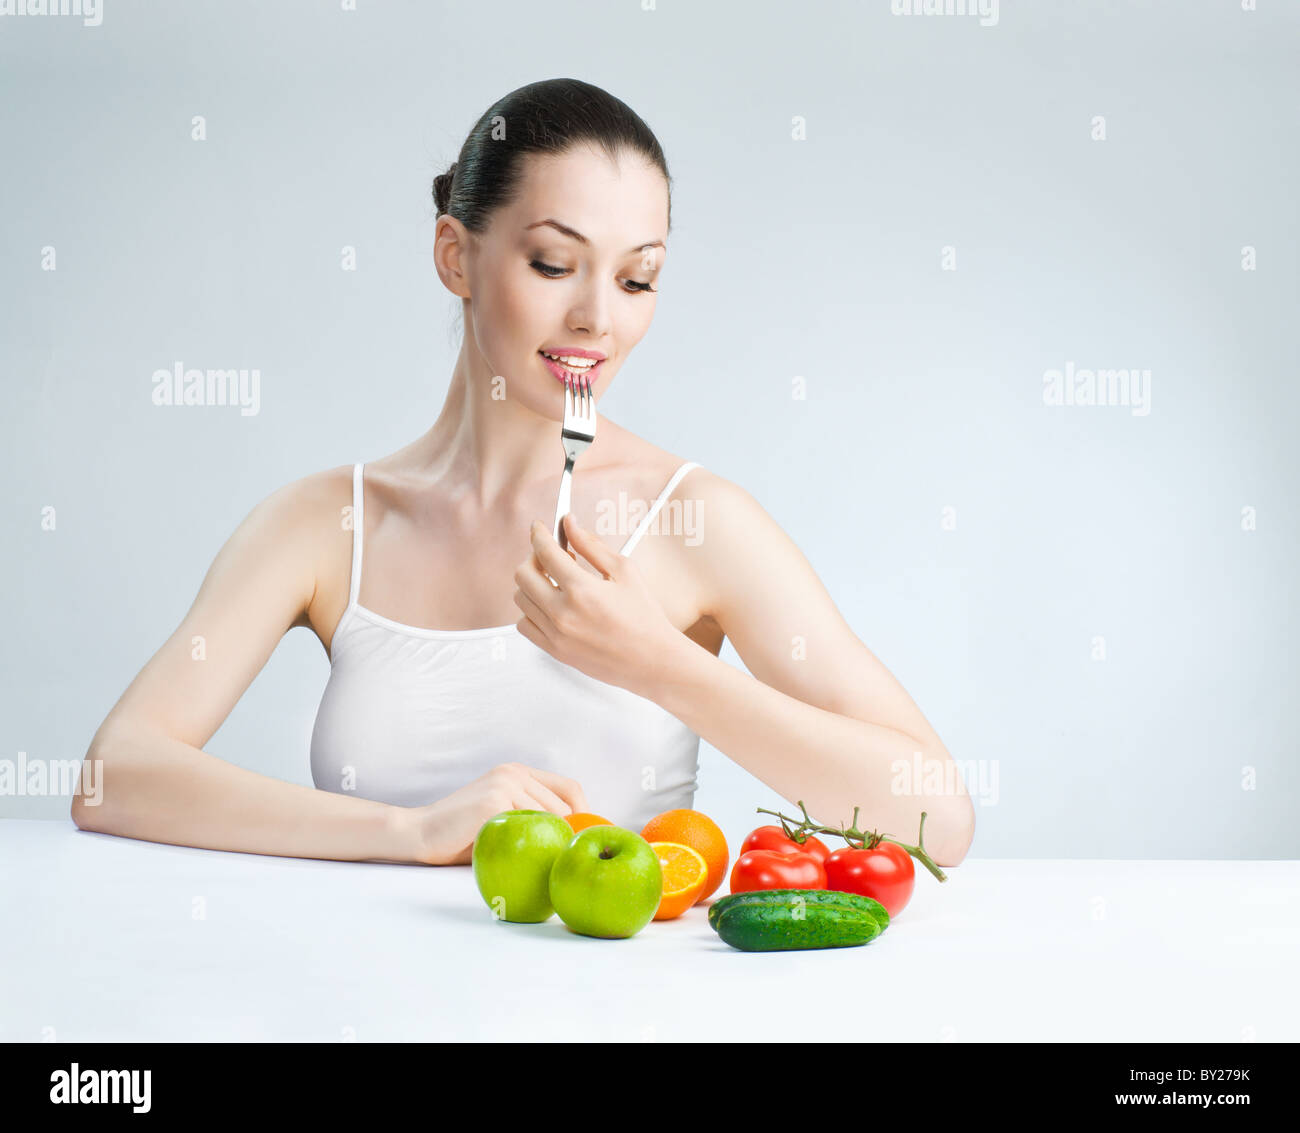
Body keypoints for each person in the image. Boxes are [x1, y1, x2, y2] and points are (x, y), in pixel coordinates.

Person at [73, 78, 974, 868]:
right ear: (455, 257)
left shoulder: (693, 517)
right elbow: (117, 774)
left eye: (637, 280)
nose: (596, 319)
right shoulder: (326, 522)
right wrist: (410, 831)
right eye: (553, 263)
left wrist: (660, 663)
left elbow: (939, 817)